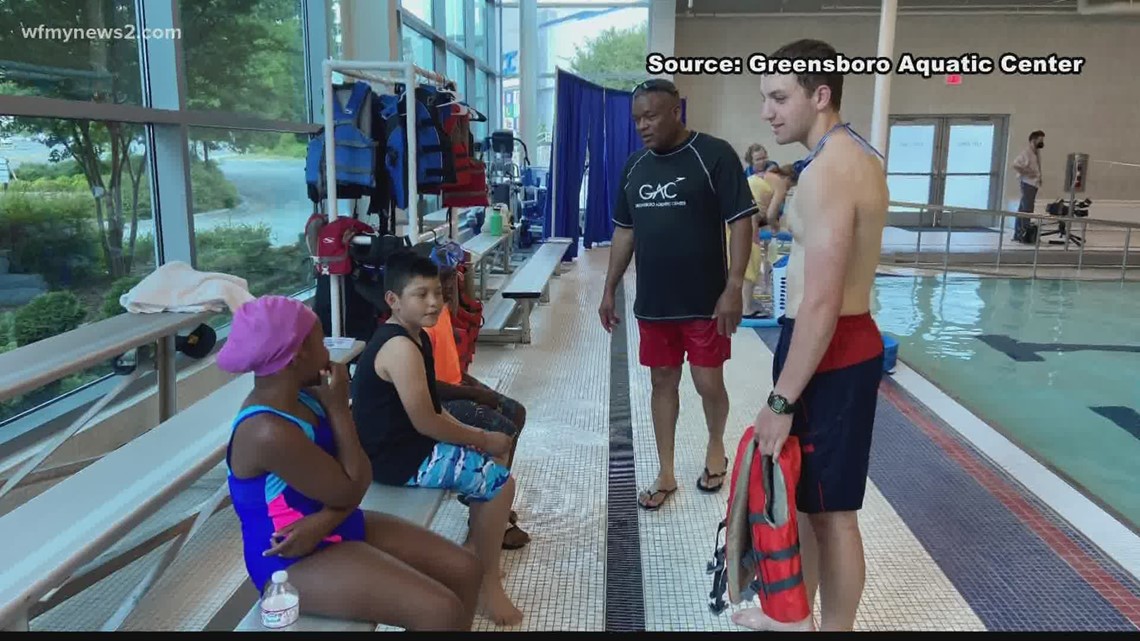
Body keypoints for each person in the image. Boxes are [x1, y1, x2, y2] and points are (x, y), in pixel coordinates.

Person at [738, 38, 890, 633]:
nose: (767, 112)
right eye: (765, 98)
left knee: (834, 514)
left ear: (820, 95)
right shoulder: (845, 155)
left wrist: (781, 402)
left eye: (779, 97)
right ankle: (793, 616)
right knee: (806, 497)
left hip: (833, 349)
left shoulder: (831, 170)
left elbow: (823, 300)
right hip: (827, 343)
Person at [219, 295, 481, 631]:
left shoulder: (306, 396)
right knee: (440, 611)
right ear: (296, 355)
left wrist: (324, 520)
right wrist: (340, 408)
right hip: (291, 559)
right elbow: (351, 488)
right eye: (321, 341)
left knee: (465, 569)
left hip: (328, 524)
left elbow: (358, 476)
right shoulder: (267, 431)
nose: (329, 351)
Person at [599, 77, 758, 510]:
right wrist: (609, 287)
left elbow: (741, 221)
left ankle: (715, 445)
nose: (642, 126)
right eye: (637, 119)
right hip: (655, 304)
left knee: (708, 383)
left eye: (650, 117)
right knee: (661, 382)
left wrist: (734, 286)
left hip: (705, 302)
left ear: (676, 112)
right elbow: (625, 231)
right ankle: (665, 471)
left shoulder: (713, 154)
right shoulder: (635, 166)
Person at [351, 251, 523, 626]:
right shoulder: (398, 347)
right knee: (501, 485)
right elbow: (426, 421)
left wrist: (473, 439)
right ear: (393, 300)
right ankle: (486, 585)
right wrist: (482, 438)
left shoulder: (416, 337)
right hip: (396, 460)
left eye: (438, 293)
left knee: (493, 462)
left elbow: (434, 409)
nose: (434, 302)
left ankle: (474, 553)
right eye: (421, 294)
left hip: (408, 445)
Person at [425, 265, 531, 549]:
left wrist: (479, 388)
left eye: (450, 286)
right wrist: (475, 393)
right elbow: (428, 384)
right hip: (438, 400)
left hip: (455, 387)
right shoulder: (423, 325)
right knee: (502, 429)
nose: (448, 293)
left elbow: (451, 368)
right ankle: (485, 514)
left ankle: (493, 500)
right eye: (441, 288)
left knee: (516, 411)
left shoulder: (443, 312)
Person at [1011, 130, 1045, 242]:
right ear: (1033, 140)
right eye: (1040, 140)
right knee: (1027, 209)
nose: (1042, 142)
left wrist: (1039, 177)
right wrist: (1027, 173)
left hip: (1033, 184)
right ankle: (1024, 233)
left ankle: (1018, 233)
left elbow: (1037, 167)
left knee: (1023, 208)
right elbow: (1015, 165)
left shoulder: (1036, 153)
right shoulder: (1026, 153)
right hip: (1027, 183)